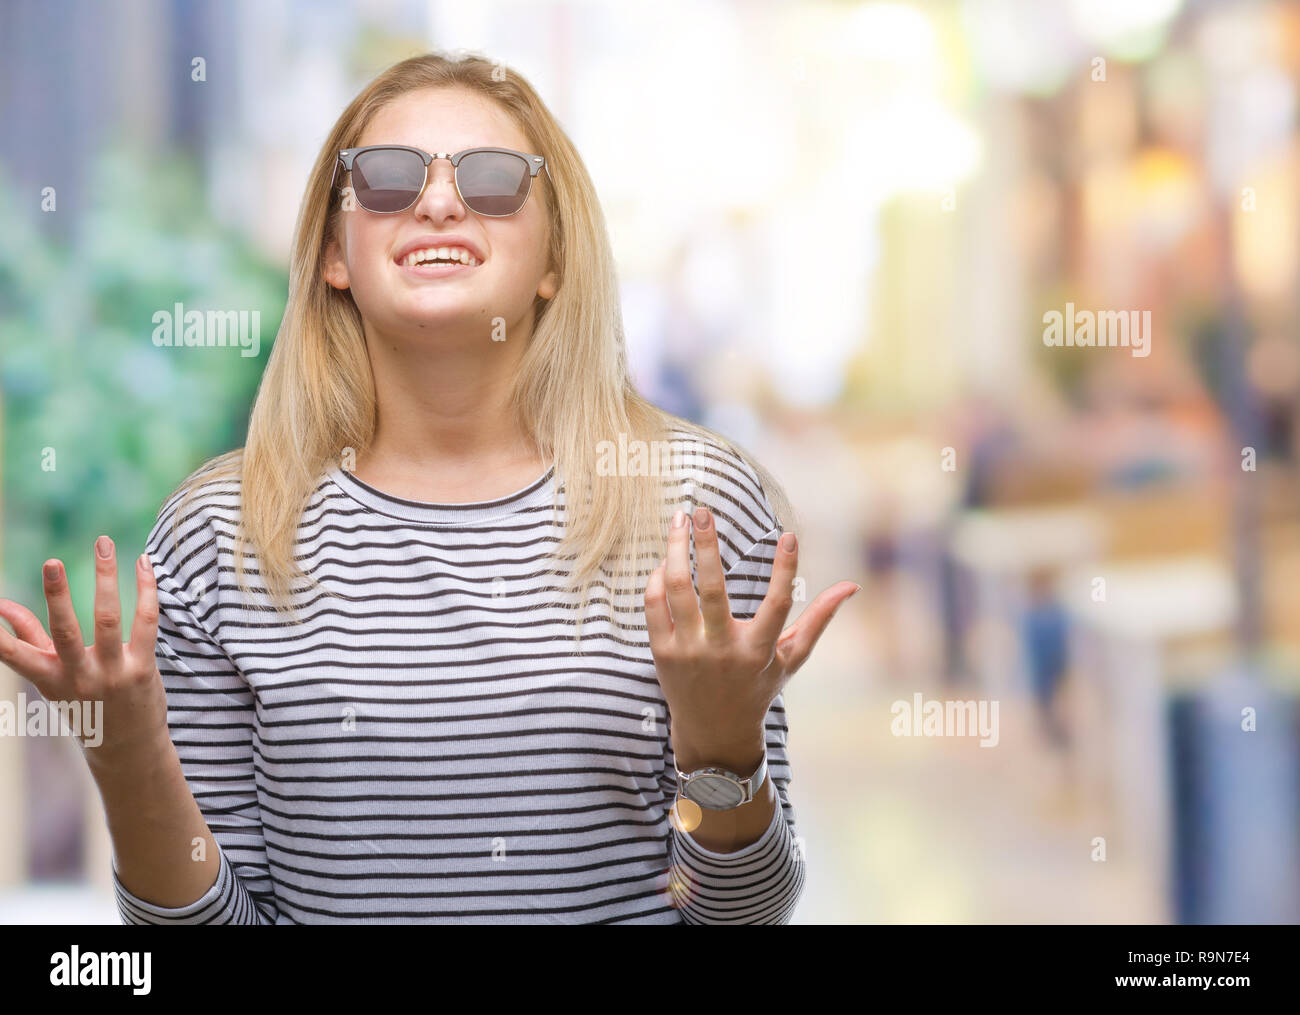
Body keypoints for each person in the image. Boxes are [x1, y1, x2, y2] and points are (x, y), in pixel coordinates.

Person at [0, 51, 858, 924]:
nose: (438, 200)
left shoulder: (696, 511)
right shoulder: (220, 535)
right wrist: (126, 752)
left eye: (491, 179)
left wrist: (721, 752)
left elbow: (741, 917)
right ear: (335, 251)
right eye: (384, 177)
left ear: (554, 259)